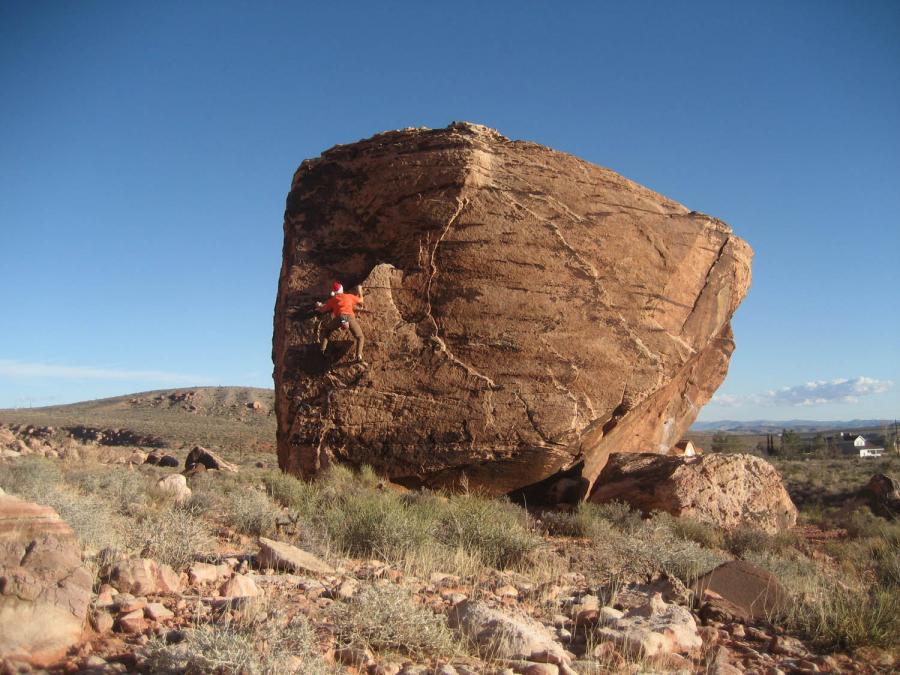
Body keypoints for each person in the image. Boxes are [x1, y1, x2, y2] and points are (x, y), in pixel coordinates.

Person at [316, 281, 365, 362]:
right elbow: (361, 300)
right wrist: (359, 289)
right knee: (360, 337)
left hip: (340, 317)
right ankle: (359, 356)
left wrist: (319, 305)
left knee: (327, 330)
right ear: (342, 290)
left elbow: (322, 309)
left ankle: (322, 350)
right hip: (349, 317)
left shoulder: (333, 299)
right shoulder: (349, 296)